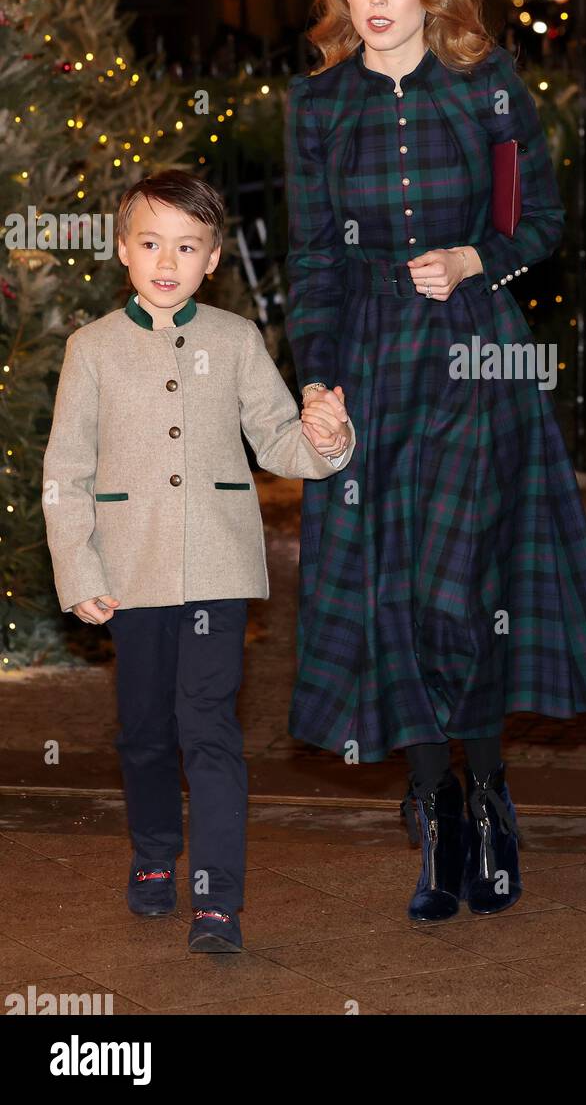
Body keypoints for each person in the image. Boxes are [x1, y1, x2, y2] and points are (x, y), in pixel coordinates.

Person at [284, 0, 586, 922]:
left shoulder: (487, 89)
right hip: (371, 363)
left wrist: (480, 253)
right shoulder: (317, 108)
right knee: (393, 593)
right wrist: (317, 378)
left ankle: (487, 794)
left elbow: (548, 220)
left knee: (465, 586)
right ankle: (437, 804)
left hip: (477, 358)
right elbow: (313, 260)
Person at [41, 171, 355, 953]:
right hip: (131, 569)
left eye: (187, 245)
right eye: (150, 243)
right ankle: (154, 858)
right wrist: (79, 572)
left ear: (213, 259)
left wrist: (327, 440)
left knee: (207, 726)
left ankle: (217, 900)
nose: (167, 260)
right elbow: (65, 472)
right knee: (145, 730)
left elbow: (282, 441)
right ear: (122, 250)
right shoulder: (92, 350)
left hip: (217, 566)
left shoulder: (236, 341)